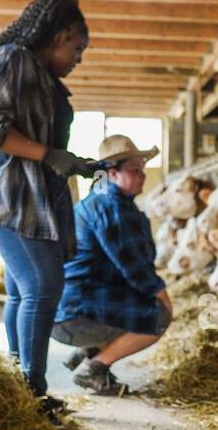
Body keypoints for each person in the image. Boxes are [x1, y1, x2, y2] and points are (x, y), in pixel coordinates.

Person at [0, 0, 101, 421]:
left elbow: (44, 140)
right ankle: (32, 392)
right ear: (59, 35)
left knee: (27, 290)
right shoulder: (12, 59)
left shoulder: (41, 74)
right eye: (76, 48)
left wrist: (72, 161)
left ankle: (18, 389)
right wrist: (48, 155)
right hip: (4, 194)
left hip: (30, 196)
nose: (78, 58)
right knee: (44, 285)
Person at [53, 134, 172, 396]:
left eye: (142, 168)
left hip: (72, 303)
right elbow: (133, 265)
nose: (142, 175)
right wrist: (161, 293)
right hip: (75, 311)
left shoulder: (108, 200)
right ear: (111, 174)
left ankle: (89, 352)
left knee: (138, 302)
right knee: (159, 315)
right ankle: (93, 366)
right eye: (134, 170)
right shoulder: (110, 206)